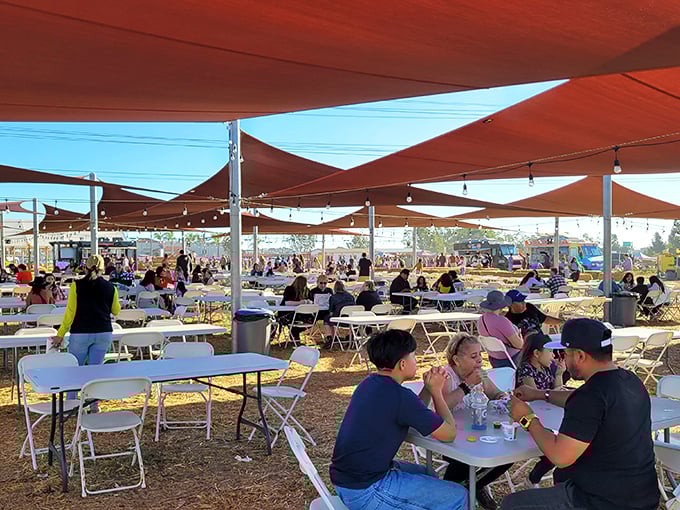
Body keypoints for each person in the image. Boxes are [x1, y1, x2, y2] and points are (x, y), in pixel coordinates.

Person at [503, 319, 660, 510]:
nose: (562, 360)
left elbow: (560, 457)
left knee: (512, 504)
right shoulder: (630, 381)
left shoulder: (590, 397)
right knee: (561, 477)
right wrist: (540, 394)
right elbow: (581, 398)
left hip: (602, 501)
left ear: (579, 356)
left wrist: (526, 417)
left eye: (564, 354)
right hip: (643, 495)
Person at [330, 329, 467, 510]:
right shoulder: (400, 396)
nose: (416, 361)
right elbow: (449, 433)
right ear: (403, 364)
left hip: (346, 479)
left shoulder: (369, 383)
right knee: (459, 496)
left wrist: (427, 388)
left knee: (427, 473)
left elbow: (412, 410)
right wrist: (436, 392)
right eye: (414, 356)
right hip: (366, 489)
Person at [420, 333, 510, 509]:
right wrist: (467, 385)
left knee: (505, 454)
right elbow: (443, 406)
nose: (479, 361)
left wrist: (503, 397)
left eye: (481, 355)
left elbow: (495, 393)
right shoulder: (446, 376)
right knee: (465, 459)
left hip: (475, 431)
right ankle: (452, 493)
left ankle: (472, 486)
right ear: (457, 359)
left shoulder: (478, 374)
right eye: (473, 356)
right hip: (449, 436)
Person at [50, 255, 121, 400]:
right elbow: (116, 311)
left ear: (85, 267)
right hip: (103, 332)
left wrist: (61, 333)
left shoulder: (77, 285)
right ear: (104, 268)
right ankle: (93, 405)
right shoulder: (111, 287)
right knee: (95, 373)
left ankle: (71, 402)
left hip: (80, 332)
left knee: (75, 370)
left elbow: (70, 313)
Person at [515, 331, 567, 485]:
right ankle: (532, 479)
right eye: (550, 351)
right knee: (552, 451)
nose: (554, 356)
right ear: (537, 353)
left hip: (545, 416)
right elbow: (534, 396)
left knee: (555, 451)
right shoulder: (526, 370)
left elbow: (554, 394)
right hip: (528, 418)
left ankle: (533, 479)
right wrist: (552, 394)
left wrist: (559, 374)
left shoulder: (545, 369)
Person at [477, 290, 523, 368]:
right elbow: (519, 345)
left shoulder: (481, 319)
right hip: (510, 359)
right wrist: (520, 336)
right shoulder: (502, 321)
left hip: (494, 358)